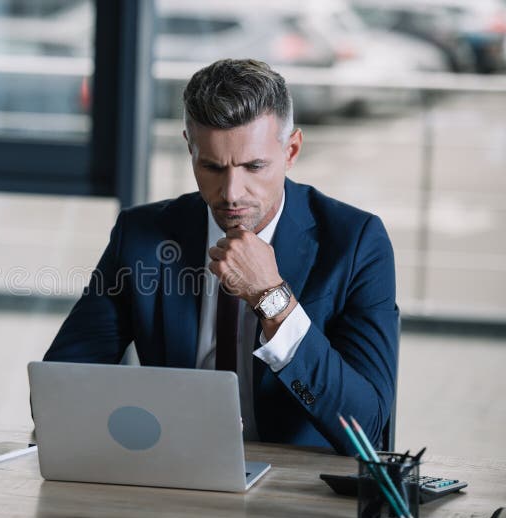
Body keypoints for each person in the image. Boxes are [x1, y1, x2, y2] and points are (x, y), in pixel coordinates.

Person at [43, 58, 398, 455]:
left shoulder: (355, 243)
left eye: (254, 166)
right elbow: (59, 387)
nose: (231, 193)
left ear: (292, 150)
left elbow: (365, 428)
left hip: (296, 487)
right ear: (190, 149)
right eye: (211, 166)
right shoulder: (141, 236)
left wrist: (273, 299)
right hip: (175, 468)